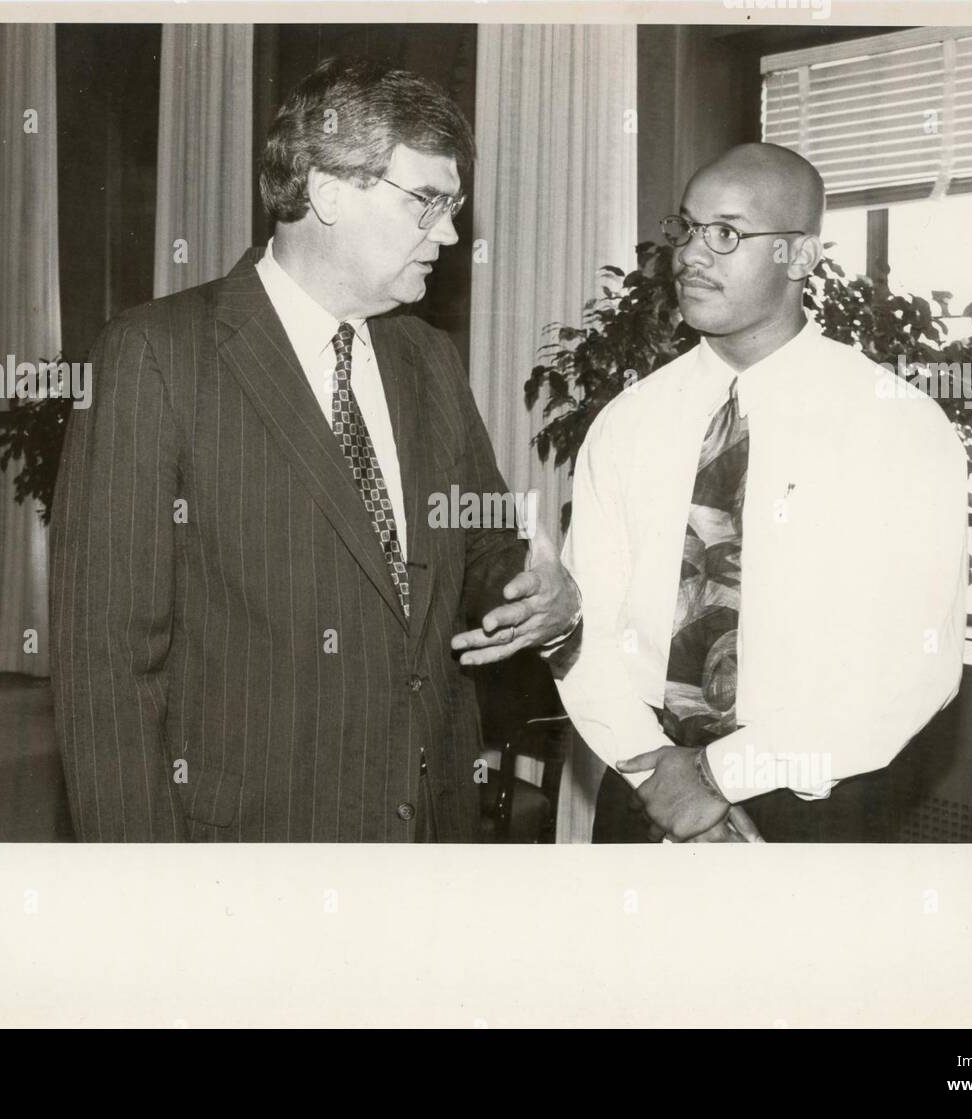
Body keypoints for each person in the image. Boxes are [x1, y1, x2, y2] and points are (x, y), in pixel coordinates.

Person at [50, 59, 579, 842]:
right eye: (427, 202)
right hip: (256, 845)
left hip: (429, 829)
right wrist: (147, 895)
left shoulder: (427, 356)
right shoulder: (156, 356)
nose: (452, 233)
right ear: (327, 191)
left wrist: (534, 589)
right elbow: (107, 668)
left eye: (455, 205)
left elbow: (479, 537)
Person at [552, 143, 967, 843]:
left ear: (800, 257)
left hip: (809, 803)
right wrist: (660, 778)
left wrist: (718, 777)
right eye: (685, 228)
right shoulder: (628, 422)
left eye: (727, 234)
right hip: (642, 783)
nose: (691, 255)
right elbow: (579, 624)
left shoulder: (897, 426)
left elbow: (915, 666)